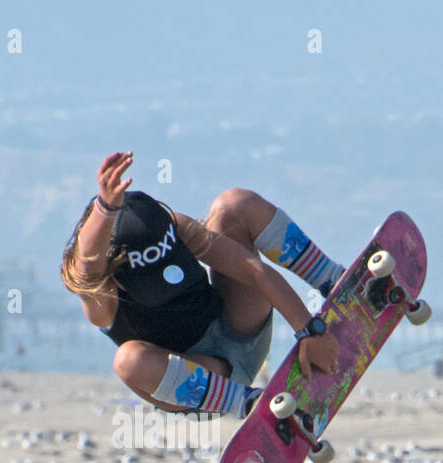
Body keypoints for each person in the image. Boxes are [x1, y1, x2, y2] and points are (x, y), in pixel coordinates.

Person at [61, 151, 342, 417]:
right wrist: (106, 208)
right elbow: (87, 266)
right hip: (200, 385)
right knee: (128, 360)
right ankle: (249, 403)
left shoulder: (175, 227)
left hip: (241, 331)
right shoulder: (100, 293)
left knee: (234, 205)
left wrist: (309, 333)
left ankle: (333, 279)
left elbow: (255, 272)